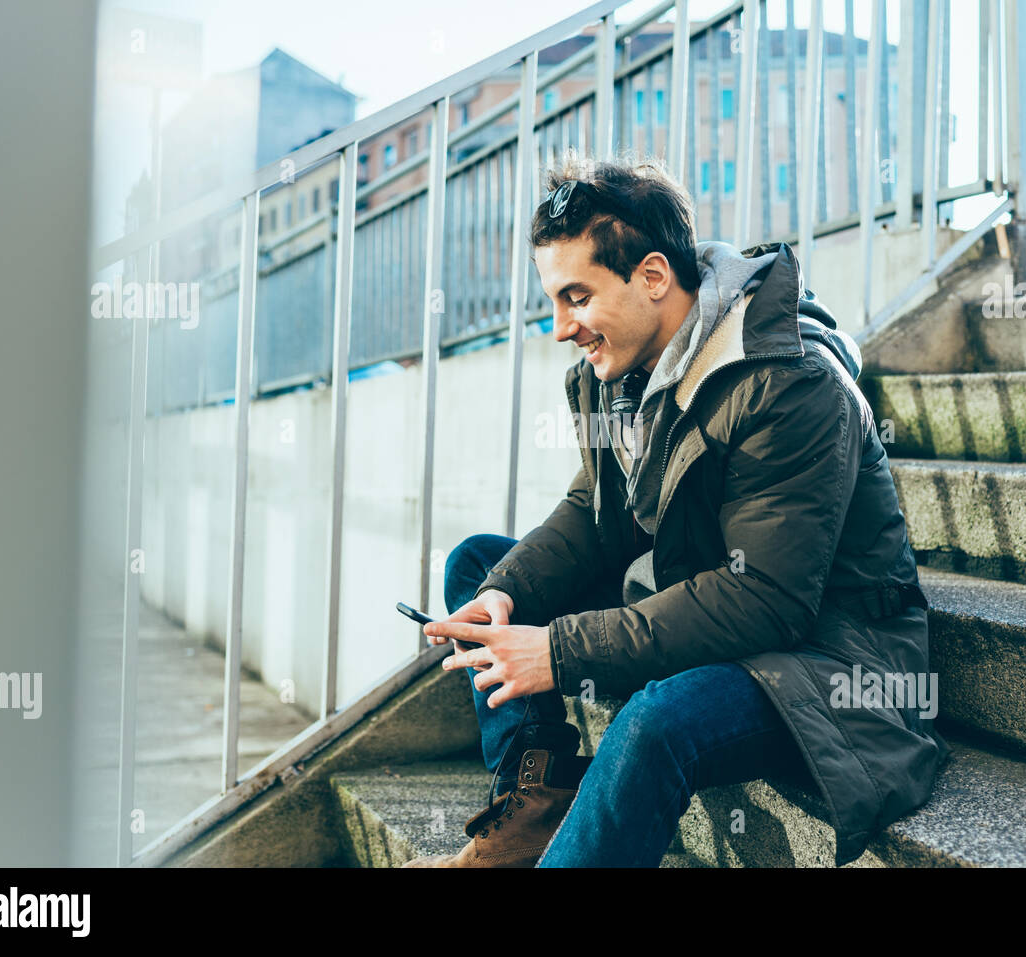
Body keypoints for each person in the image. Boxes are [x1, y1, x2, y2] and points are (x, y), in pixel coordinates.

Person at [404, 151, 951, 868]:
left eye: (577, 297)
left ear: (654, 277)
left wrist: (560, 651)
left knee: (654, 721)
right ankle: (533, 815)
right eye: (555, 302)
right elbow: (594, 511)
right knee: (479, 569)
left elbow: (767, 600)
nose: (562, 327)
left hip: (822, 658)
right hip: (711, 608)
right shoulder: (624, 371)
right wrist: (508, 593)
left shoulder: (790, 382)